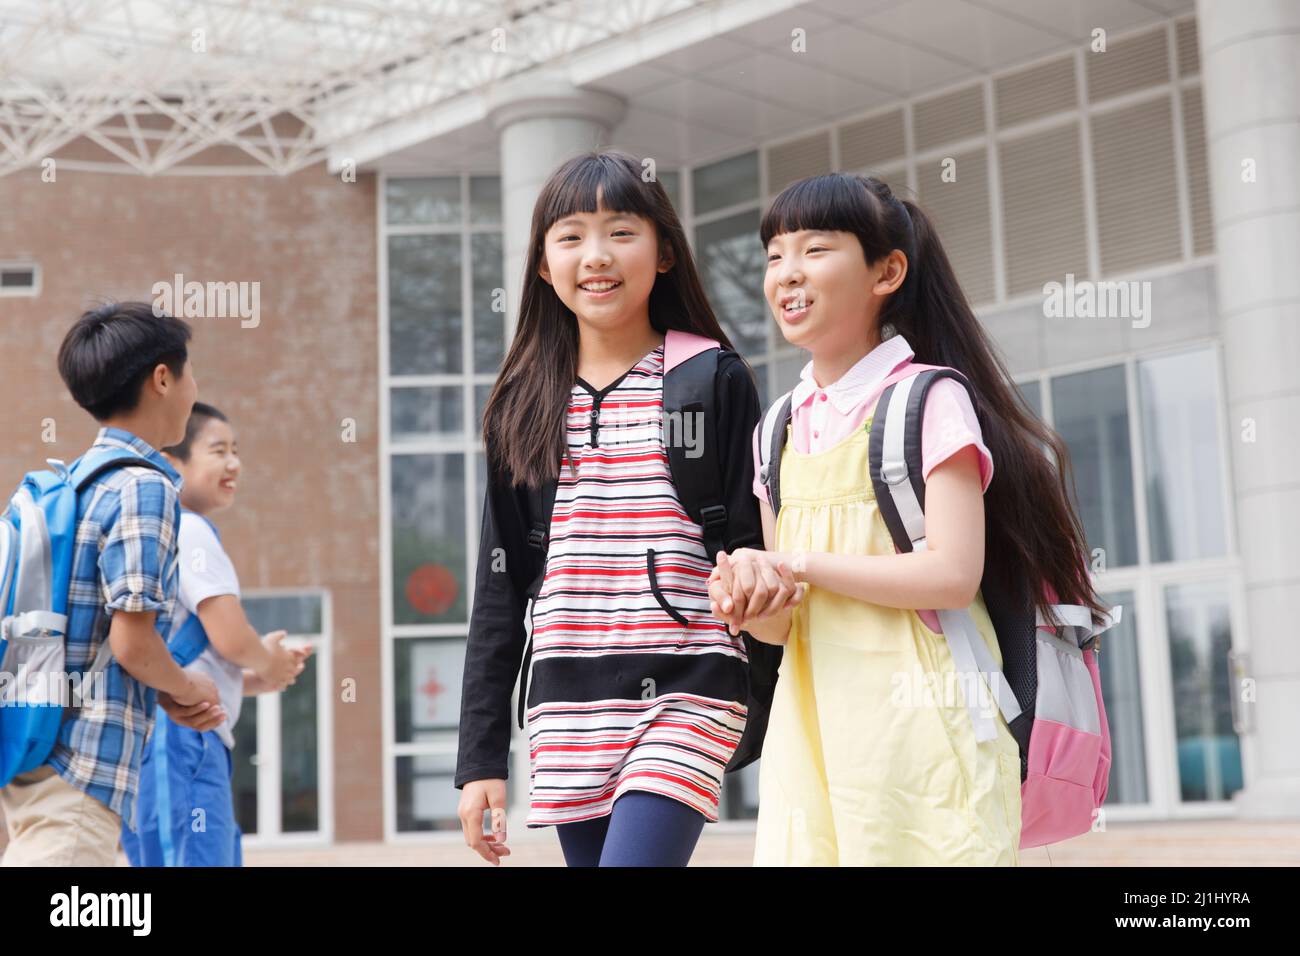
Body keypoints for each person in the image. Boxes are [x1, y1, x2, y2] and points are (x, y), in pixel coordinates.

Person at [710, 174, 1107, 865]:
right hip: (813, 746)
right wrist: (749, 599)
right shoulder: (775, 428)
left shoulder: (927, 400)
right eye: (774, 255)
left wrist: (794, 564)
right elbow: (784, 624)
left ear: (886, 271)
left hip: (929, 735)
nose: (787, 274)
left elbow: (953, 575)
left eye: (815, 249)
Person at [455, 150, 771, 867]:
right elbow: (500, 590)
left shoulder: (708, 377)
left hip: (690, 684)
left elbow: (754, 543)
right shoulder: (523, 403)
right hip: (568, 707)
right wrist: (479, 761)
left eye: (620, 231)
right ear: (542, 264)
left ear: (663, 251)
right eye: (570, 236)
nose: (595, 255)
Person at [0, 302, 225, 867]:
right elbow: (133, 643)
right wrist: (187, 688)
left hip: (35, 749)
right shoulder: (144, 487)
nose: (193, 389)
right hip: (84, 764)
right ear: (163, 378)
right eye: (190, 372)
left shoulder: (69, 487)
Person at [120, 402, 310, 867]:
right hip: (182, 740)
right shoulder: (189, 530)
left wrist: (251, 682)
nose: (234, 463)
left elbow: (189, 657)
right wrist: (269, 661)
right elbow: (228, 635)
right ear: (172, 463)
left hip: (171, 735)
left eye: (236, 451)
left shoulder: (161, 533)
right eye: (218, 450)